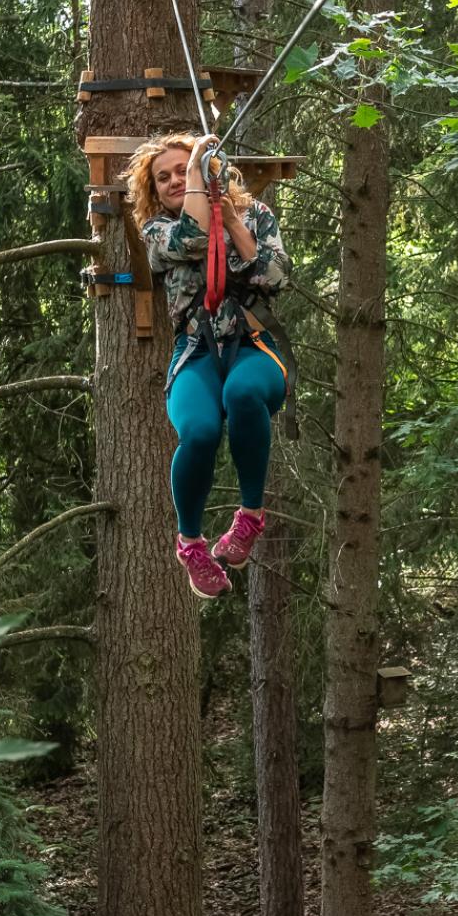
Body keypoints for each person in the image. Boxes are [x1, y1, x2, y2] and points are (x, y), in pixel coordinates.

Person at [126, 132, 293, 598]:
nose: (176, 181)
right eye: (165, 177)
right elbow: (194, 236)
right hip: (196, 351)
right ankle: (191, 543)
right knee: (198, 430)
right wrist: (200, 160)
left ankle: (250, 517)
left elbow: (275, 277)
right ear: (154, 191)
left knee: (242, 395)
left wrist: (234, 219)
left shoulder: (255, 215)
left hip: (253, 345)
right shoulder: (158, 231)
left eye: (183, 170)